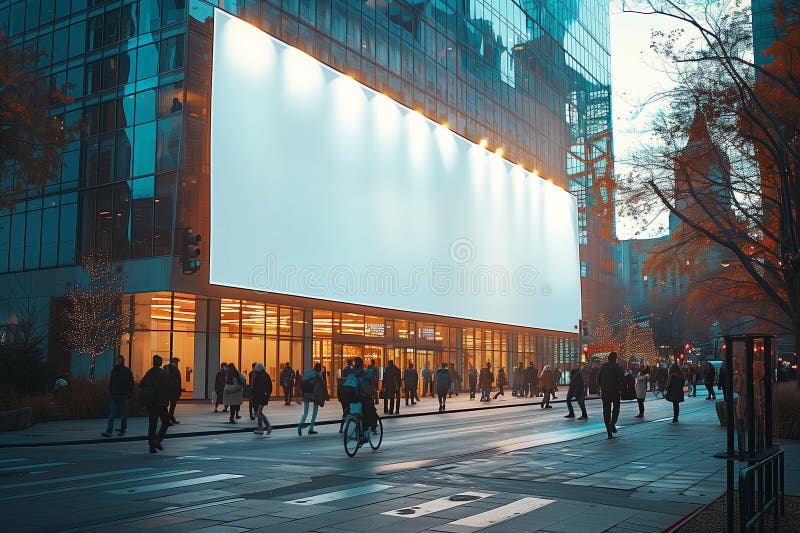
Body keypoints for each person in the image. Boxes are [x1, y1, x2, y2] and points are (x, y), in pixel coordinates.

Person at [139, 355, 172, 453]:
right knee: (165, 422)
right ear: (160, 363)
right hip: (160, 402)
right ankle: (158, 440)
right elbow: (167, 388)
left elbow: (142, 384)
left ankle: (151, 445)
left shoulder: (149, 373)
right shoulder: (163, 374)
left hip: (151, 402)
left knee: (152, 424)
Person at [103, 355, 134, 437]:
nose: (118, 362)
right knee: (118, 413)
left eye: (119, 360)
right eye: (118, 360)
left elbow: (130, 383)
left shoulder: (119, 370)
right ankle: (113, 430)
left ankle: (116, 430)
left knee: (119, 413)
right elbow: (112, 382)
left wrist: (129, 393)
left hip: (121, 395)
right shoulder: (119, 370)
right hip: (117, 394)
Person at [597, 352, 624, 439]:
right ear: (615, 358)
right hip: (615, 392)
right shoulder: (617, 367)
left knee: (606, 411)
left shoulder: (603, 367)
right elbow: (621, 379)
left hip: (605, 392)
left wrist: (600, 387)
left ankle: (609, 432)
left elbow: (598, 379)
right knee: (616, 408)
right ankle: (613, 423)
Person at [298, 363, 327, 436]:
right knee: (315, 411)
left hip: (306, 395)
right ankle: (311, 428)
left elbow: (301, 383)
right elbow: (323, 387)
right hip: (314, 395)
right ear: (319, 369)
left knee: (305, 412)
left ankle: (299, 427)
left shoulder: (307, 374)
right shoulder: (318, 376)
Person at [251, 363, 272, 435]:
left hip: (261, 397)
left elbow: (268, 388)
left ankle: (267, 426)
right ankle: (260, 428)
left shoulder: (262, 376)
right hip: (259, 397)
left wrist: (266, 397)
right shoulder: (259, 375)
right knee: (258, 413)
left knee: (258, 412)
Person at [165, 357, 182, 425]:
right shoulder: (175, 370)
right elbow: (178, 381)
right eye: (176, 363)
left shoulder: (166, 369)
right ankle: (169, 418)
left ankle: (169, 418)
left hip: (167, 390)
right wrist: (179, 390)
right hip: (173, 390)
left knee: (166, 405)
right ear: (174, 362)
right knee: (173, 405)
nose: (177, 364)